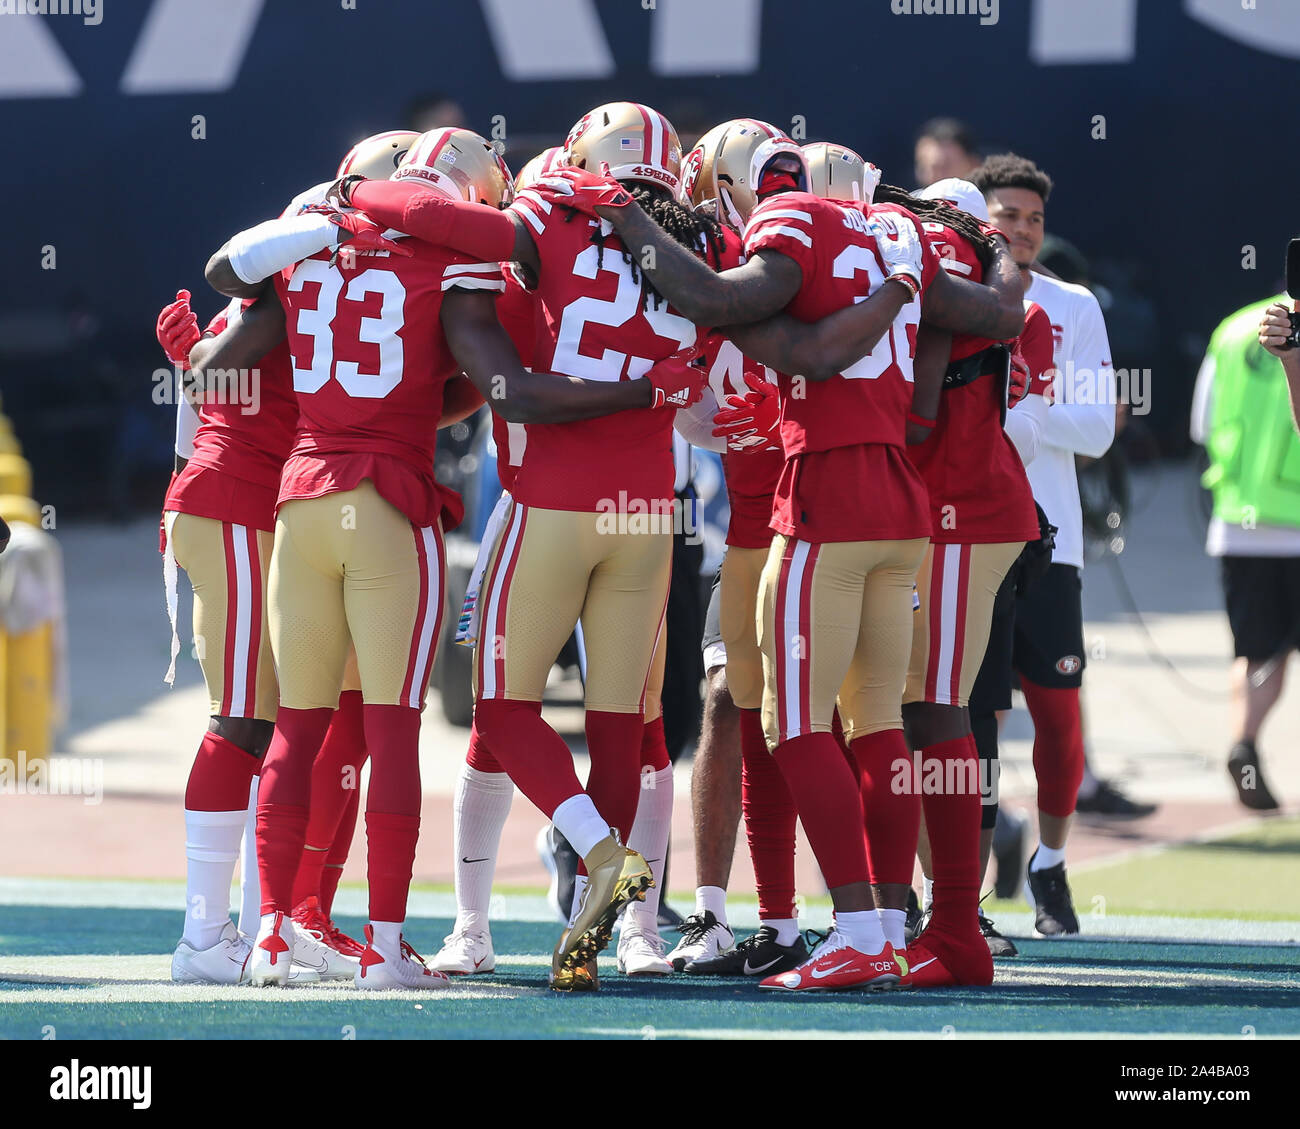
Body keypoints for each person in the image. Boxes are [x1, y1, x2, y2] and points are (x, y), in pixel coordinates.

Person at [202, 126, 698, 989]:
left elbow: (223, 316)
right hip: (438, 502)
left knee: (300, 726)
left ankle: (275, 932)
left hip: (310, 493)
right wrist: (648, 389)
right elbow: (500, 384)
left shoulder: (315, 238)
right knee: (415, 728)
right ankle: (406, 941)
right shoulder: (658, 244)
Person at [549, 132, 1025, 991]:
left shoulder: (794, 227)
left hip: (821, 502)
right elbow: (982, 334)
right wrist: (932, 276)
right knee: (880, 721)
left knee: (797, 726)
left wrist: (623, 212)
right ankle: (900, 922)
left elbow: (742, 314)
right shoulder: (897, 237)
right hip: (900, 503)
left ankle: (854, 931)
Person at [330, 104, 723, 990]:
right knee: (625, 728)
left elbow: (432, 226)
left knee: (501, 714)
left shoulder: (547, 217)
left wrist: (355, 195)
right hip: (649, 513)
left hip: (549, 500)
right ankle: (604, 926)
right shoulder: (705, 253)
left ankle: (565, 875)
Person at [970, 153, 1116, 936]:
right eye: (1007, 216)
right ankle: (970, 895)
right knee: (976, 721)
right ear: (981, 219)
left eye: (1032, 218)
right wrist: (1023, 406)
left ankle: (1052, 864)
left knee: (1059, 717)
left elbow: (1096, 427)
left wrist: (1018, 413)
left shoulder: (1074, 305)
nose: (1021, 230)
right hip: (970, 538)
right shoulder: (954, 294)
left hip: (1050, 541)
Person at [1194, 295, 1300, 811]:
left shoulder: (1233, 327)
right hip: (1297, 509)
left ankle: (1244, 739)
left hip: (1241, 519)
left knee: (1256, 650)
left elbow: (1201, 424)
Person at [914, 118, 980, 190]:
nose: (937, 176)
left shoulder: (991, 200)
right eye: (925, 168)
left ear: (973, 165)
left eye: (945, 167)